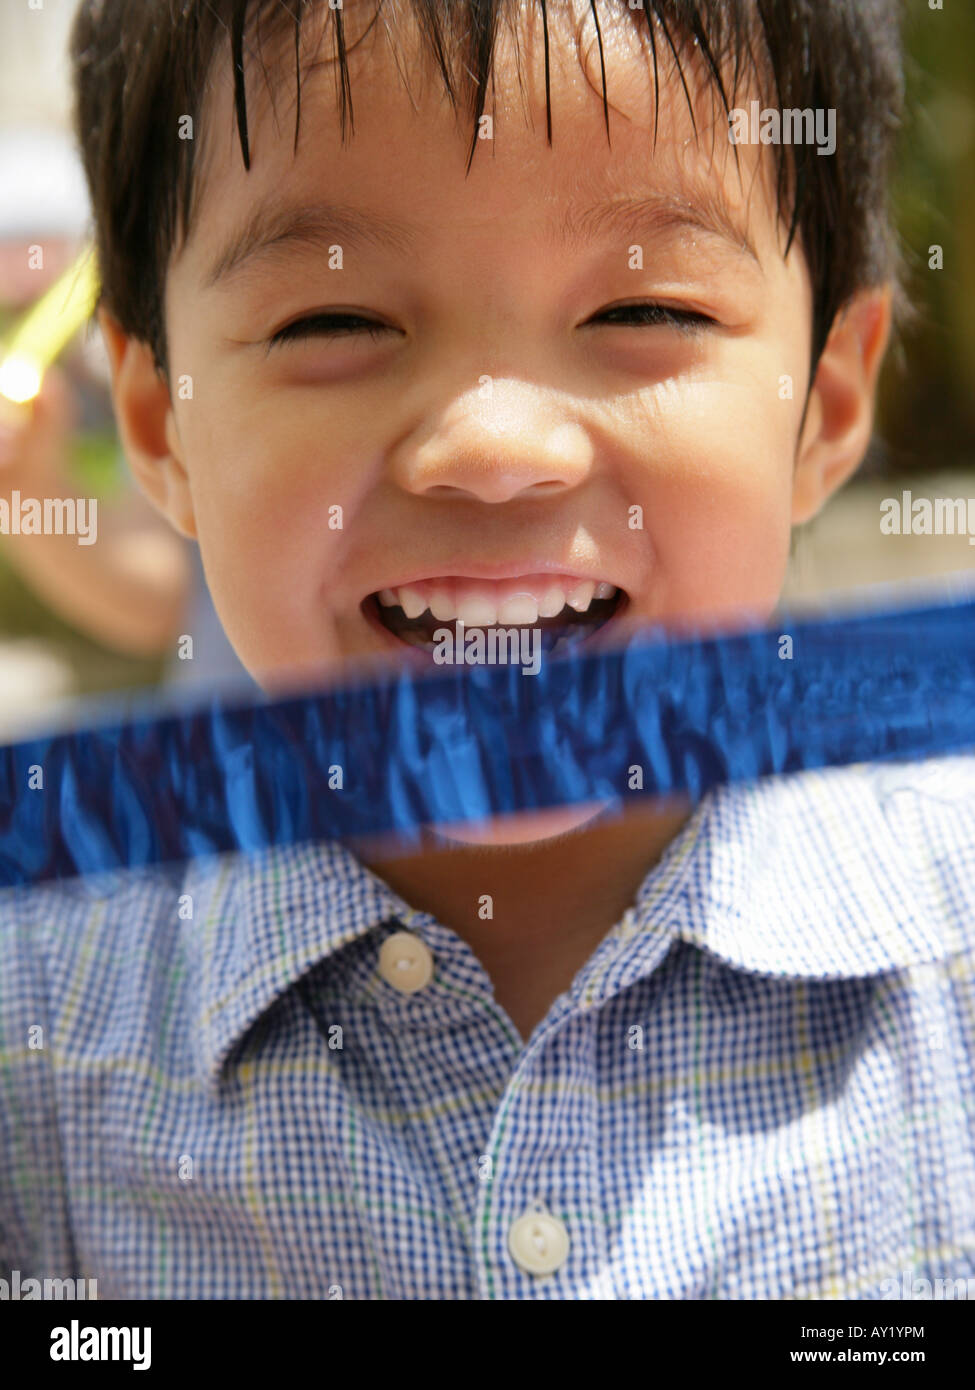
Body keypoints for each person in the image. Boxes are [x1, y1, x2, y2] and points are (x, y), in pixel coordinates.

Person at [1, 0, 973, 1299]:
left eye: (646, 305)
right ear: (160, 428)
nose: (496, 445)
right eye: (332, 324)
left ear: (825, 402)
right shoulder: (39, 1043)